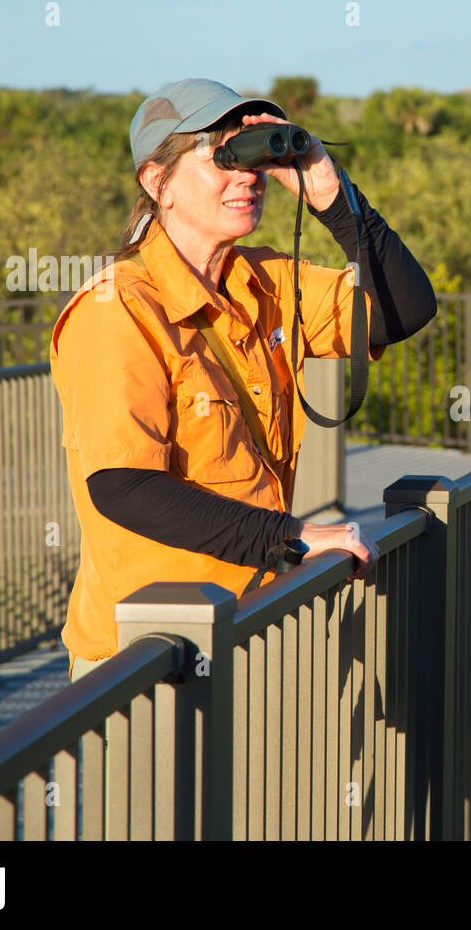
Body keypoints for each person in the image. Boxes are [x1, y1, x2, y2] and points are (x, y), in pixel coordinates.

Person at [50, 79, 437, 681]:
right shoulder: (116, 308)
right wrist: (292, 536)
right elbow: (124, 485)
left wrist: (334, 196)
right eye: (220, 154)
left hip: (249, 627)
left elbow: (404, 309)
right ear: (158, 182)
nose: (249, 174)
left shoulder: (266, 282)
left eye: (253, 153)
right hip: (149, 654)